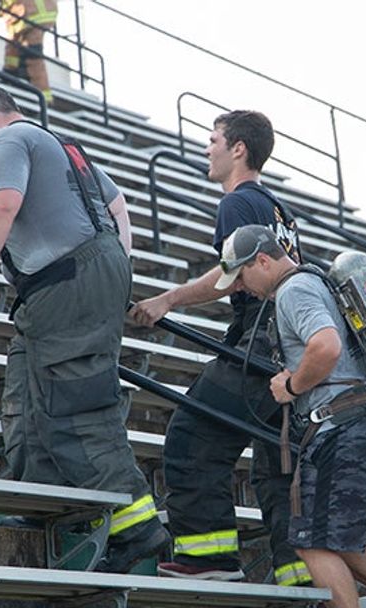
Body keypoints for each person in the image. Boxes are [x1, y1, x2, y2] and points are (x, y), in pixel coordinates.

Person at [0, 83, 165, 573]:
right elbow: (119, 206)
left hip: (65, 279)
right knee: (25, 398)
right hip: (71, 280)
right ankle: (47, 506)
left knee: (74, 405)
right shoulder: (61, 146)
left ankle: (136, 526)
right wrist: (113, 271)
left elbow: (1, 205)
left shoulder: (5, 141)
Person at [209, 224, 366, 608]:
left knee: (310, 541)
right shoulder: (314, 283)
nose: (239, 286)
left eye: (241, 275)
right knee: (340, 538)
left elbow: (326, 345)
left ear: (263, 260)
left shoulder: (293, 290)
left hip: (342, 427)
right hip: (361, 423)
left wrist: (291, 385)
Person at [129, 110, 305, 583]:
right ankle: (300, 575)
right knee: (277, 468)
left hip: (262, 343)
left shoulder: (235, 204)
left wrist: (168, 299)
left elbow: (232, 278)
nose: (207, 149)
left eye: (213, 141)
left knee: (193, 437)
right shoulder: (276, 207)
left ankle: (208, 559)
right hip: (290, 349)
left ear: (238, 149)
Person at [0, 0, 57, 104]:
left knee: (33, 58)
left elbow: (9, 3)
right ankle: (10, 73)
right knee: (13, 46)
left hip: (30, 15)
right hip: (36, 13)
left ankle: (44, 97)